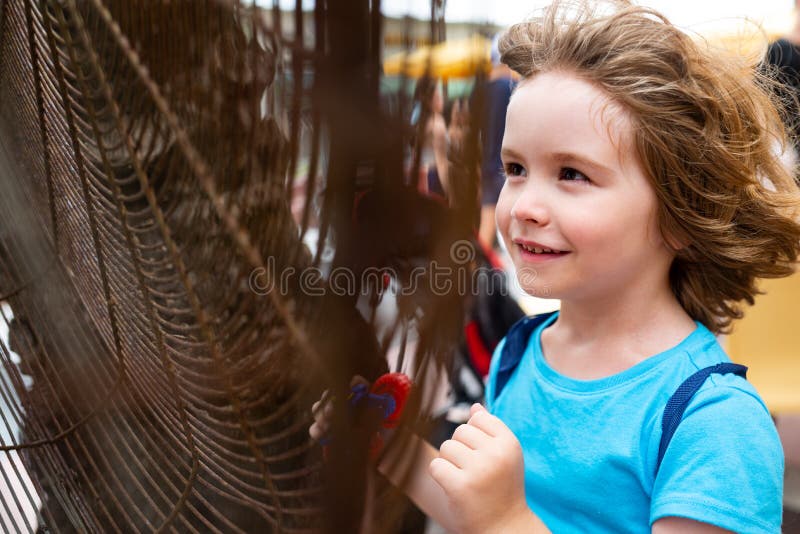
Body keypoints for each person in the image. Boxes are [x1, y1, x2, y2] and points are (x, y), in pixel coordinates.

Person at [312, 1, 800, 532]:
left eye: (571, 173)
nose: (522, 205)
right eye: (515, 168)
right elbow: (474, 505)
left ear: (681, 215)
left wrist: (508, 519)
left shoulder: (714, 422)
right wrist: (386, 446)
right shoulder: (519, 353)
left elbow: (497, 515)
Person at [475, 34, 516, 249]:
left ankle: (472, 272)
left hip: (486, 164)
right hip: (505, 167)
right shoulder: (508, 87)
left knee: (487, 224)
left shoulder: (481, 89)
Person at [410, 77, 450, 199]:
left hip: (418, 177)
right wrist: (451, 194)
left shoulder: (420, 121)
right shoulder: (437, 123)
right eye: (439, 94)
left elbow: (414, 155)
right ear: (430, 99)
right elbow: (442, 162)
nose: (442, 98)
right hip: (434, 178)